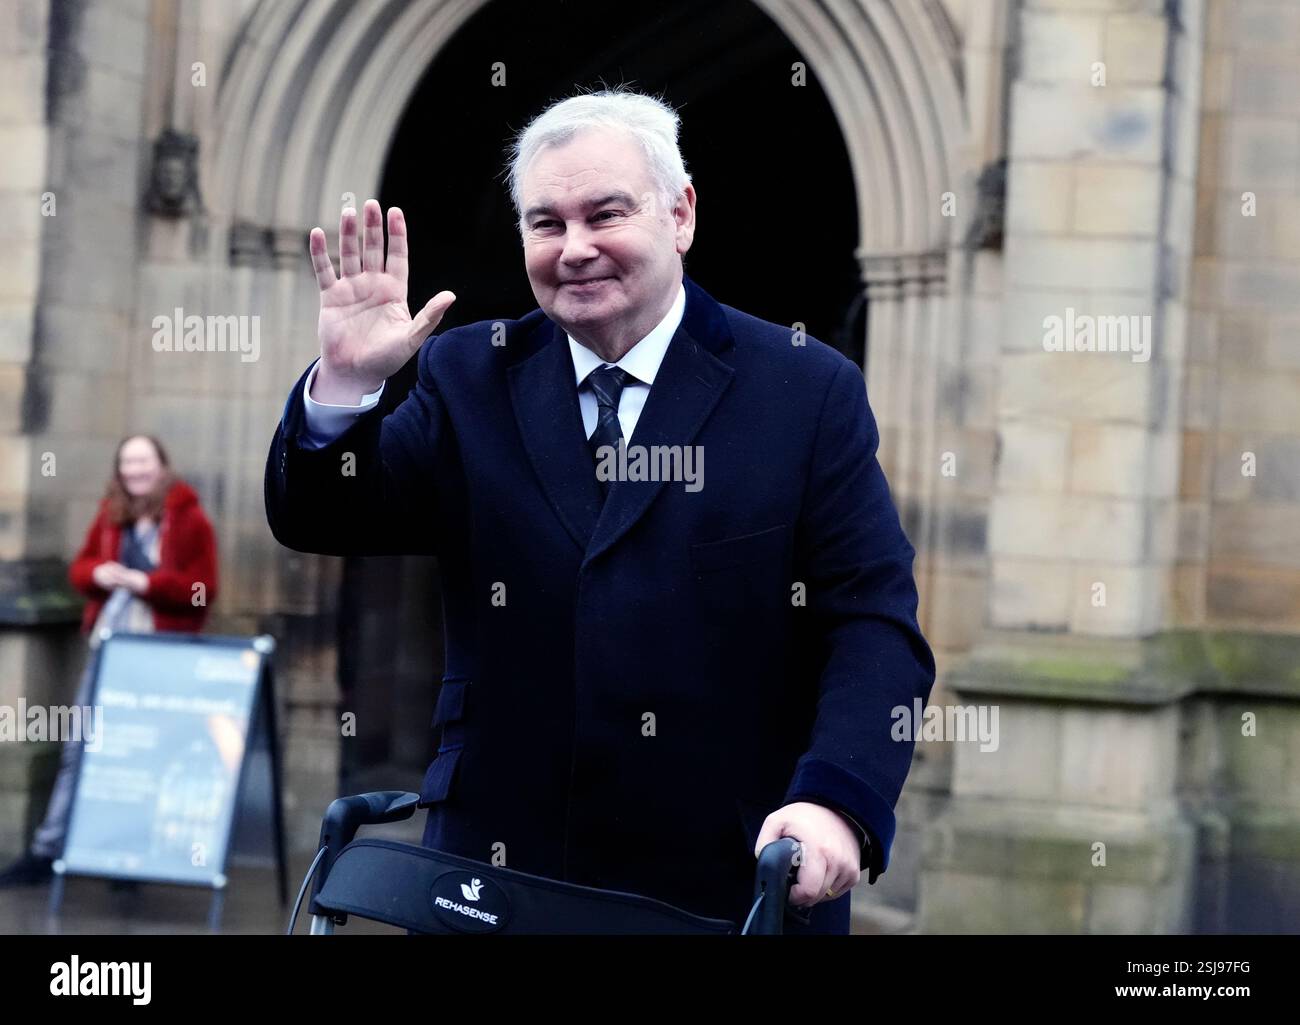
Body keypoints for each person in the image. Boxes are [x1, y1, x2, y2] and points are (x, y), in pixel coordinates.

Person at [264, 88, 935, 934]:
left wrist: (837, 798)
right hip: (494, 876)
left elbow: (873, 621)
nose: (574, 248)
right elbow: (327, 516)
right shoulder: (471, 373)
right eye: (546, 224)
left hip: (723, 890)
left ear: (681, 214)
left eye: (604, 214)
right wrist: (347, 387)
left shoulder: (806, 389)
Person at [0, 435, 219, 887]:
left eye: (143, 462)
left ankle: (132, 857)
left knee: (149, 752)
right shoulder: (110, 515)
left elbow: (203, 590)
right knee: (80, 749)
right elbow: (79, 570)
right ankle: (48, 848)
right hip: (109, 648)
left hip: (160, 657)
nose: (135, 471)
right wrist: (98, 574)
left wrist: (147, 583)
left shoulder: (191, 519)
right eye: (127, 463)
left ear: (162, 466)